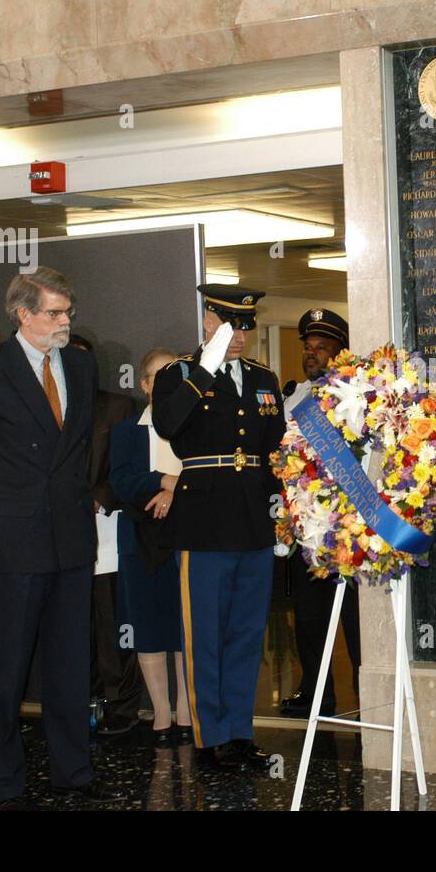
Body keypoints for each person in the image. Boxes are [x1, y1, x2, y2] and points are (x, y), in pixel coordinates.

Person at [0, 267, 120, 808]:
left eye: (68, 311)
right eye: (54, 312)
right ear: (23, 314)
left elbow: (81, 451)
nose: (65, 321)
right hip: (14, 543)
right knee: (7, 666)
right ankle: (3, 779)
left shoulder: (80, 362)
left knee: (70, 664)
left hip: (71, 539)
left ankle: (73, 769)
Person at [151, 285, 285, 770]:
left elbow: (276, 452)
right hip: (204, 520)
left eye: (246, 326)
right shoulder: (180, 374)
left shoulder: (264, 378)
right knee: (204, 633)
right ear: (209, 323)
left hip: (253, 518)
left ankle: (240, 732)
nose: (240, 336)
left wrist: (282, 513)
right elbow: (167, 425)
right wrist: (205, 369)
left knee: (247, 632)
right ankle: (209, 738)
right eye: (230, 325)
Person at [279, 309, 361, 718]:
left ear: (339, 352)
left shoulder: (356, 395)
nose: (312, 355)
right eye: (308, 348)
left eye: (321, 348)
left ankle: (367, 693)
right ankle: (315, 692)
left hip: (347, 529)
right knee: (309, 620)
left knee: (355, 620)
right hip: (306, 530)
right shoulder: (290, 396)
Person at [109, 348, 191, 746]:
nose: (164, 383)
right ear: (143, 385)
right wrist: (164, 481)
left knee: (183, 627)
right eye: (156, 376)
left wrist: (175, 494)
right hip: (139, 541)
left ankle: (186, 711)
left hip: (188, 537)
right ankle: (161, 713)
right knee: (148, 626)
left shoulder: (196, 425)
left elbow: (205, 480)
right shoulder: (126, 430)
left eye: (172, 374)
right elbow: (122, 482)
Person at [68, 333, 142, 736]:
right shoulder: (44, 407)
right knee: (73, 628)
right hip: (59, 538)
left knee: (114, 624)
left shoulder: (118, 406)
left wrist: (99, 496)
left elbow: (130, 466)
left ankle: (121, 706)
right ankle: (80, 700)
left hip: (107, 532)